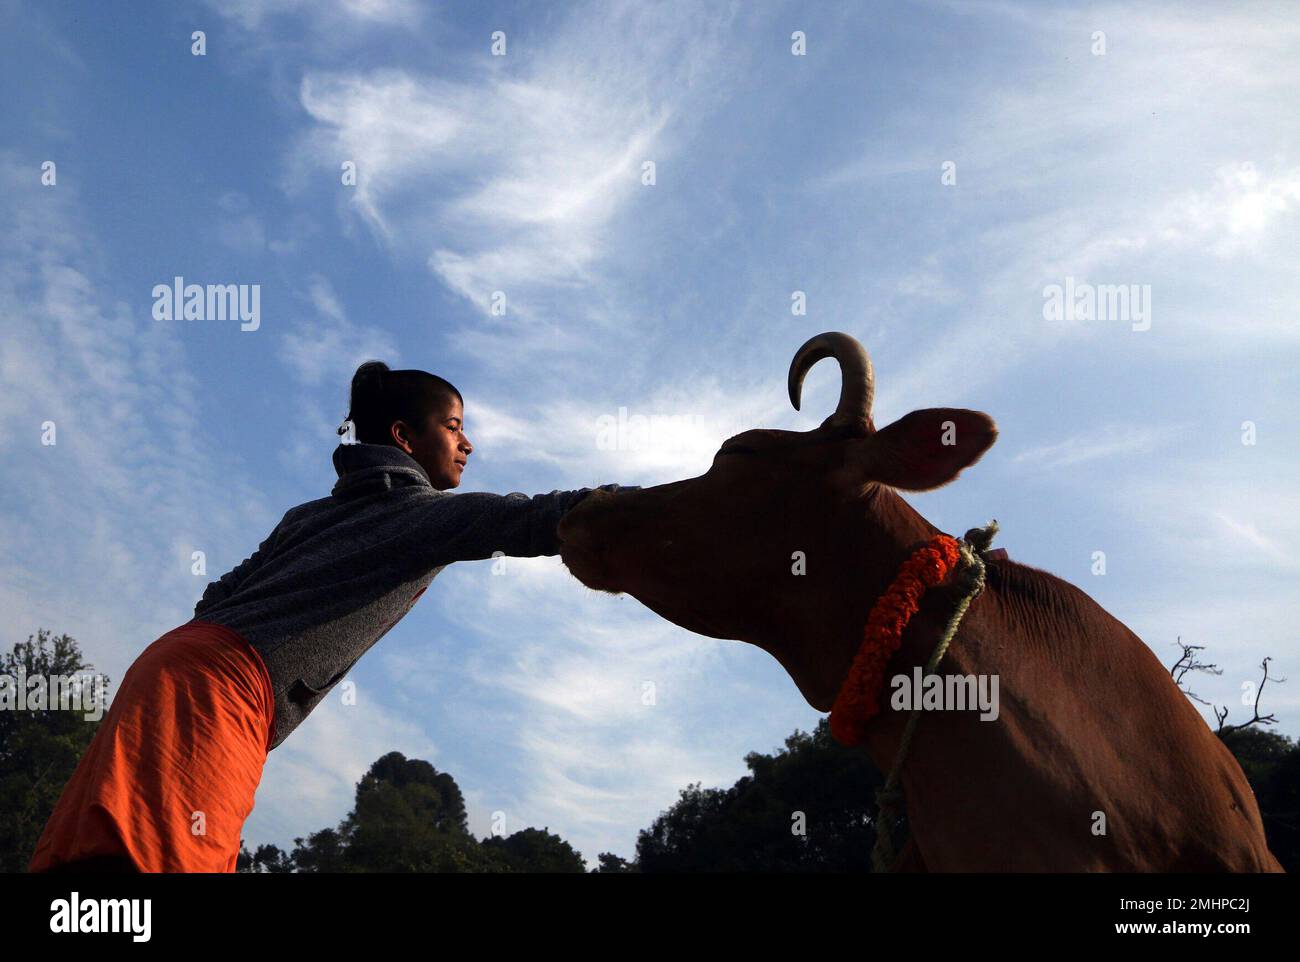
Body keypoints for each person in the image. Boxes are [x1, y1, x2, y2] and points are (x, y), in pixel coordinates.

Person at [28, 361, 636, 873]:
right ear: (404, 437)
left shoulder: (308, 515)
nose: (468, 443)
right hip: (224, 694)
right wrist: (659, 508)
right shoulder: (425, 515)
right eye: (453, 427)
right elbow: (537, 516)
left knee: (94, 873)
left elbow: (217, 594)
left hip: (171, 665)